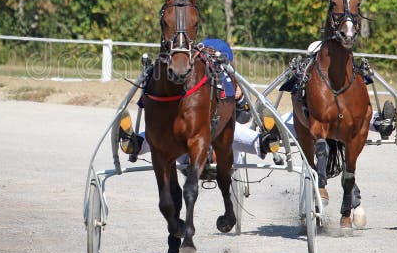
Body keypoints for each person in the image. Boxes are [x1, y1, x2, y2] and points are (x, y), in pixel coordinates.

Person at [119, 38, 280, 163]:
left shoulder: (232, 82)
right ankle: (266, 142)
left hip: (221, 149)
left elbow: (245, 118)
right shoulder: (192, 81)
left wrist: (240, 99)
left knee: (228, 128)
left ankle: (136, 144)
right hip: (189, 148)